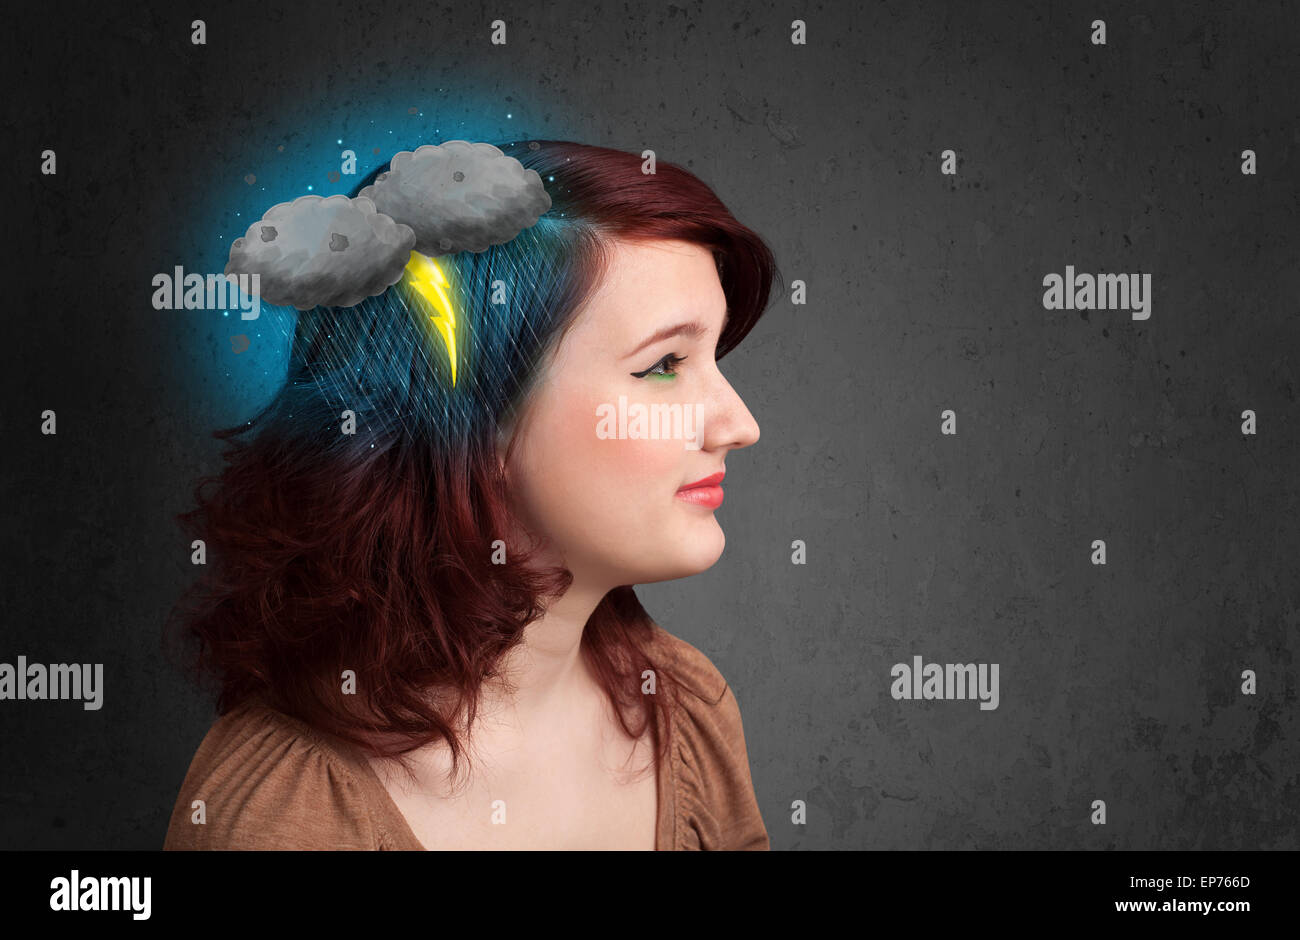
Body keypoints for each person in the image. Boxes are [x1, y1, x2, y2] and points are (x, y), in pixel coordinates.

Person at [163, 139, 780, 850]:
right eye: (664, 364)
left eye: (711, 358)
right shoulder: (288, 811)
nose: (740, 425)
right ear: (472, 424)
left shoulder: (686, 705)